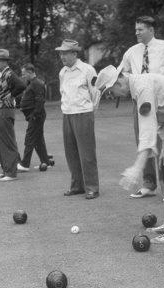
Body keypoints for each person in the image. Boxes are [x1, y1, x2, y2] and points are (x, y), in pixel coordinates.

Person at [95, 65, 164, 244]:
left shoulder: (142, 88)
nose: (112, 96)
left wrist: (137, 167)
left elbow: (147, 130)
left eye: (110, 91)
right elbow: (162, 114)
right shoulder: (139, 86)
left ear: (119, 82)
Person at [119, 16, 164, 200]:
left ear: (151, 29)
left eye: (140, 29)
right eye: (135, 30)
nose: (137, 33)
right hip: (141, 102)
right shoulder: (131, 52)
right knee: (144, 140)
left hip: (163, 103)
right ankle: (149, 184)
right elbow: (121, 73)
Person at [56, 39, 100, 200]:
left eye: (65, 53)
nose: (62, 56)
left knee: (86, 153)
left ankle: (92, 187)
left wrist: (89, 111)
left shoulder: (87, 70)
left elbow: (95, 93)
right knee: (71, 153)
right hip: (67, 114)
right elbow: (64, 94)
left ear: (75, 53)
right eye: (61, 53)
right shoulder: (62, 72)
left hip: (83, 114)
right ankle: (77, 186)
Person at [0, 49, 26, 181]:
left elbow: (21, 85)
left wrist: (10, 95)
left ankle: (11, 172)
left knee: (7, 141)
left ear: (3, 62)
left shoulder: (9, 74)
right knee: (1, 141)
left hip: (5, 110)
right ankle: (7, 169)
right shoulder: (2, 74)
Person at [17, 63, 50, 172]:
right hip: (35, 116)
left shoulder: (37, 83)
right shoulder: (31, 83)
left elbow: (40, 101)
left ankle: (25, 164)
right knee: (38, 139)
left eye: (24, 74)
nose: (23, 76)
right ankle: (45, 161)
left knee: (30, 139)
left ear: (30, 72)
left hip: (37, 116)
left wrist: (34, 115)